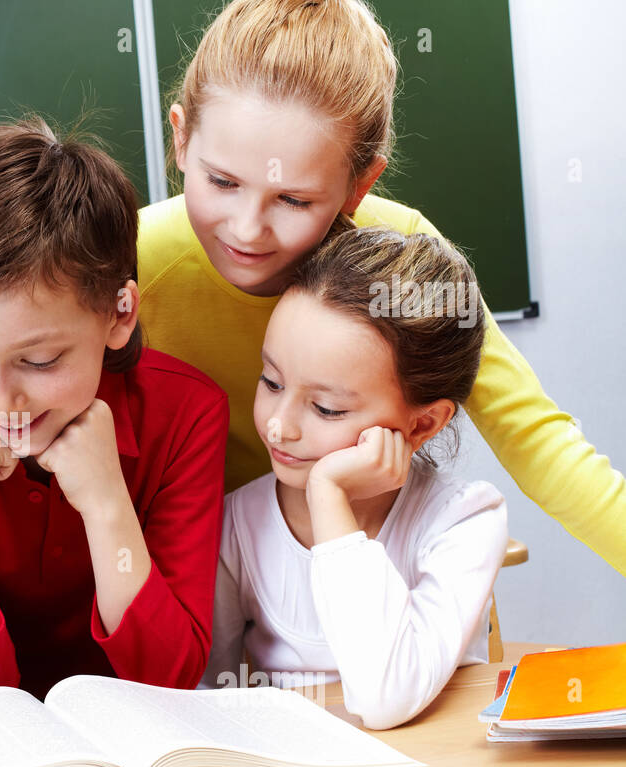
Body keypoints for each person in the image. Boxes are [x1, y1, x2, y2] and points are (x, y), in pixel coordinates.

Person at [140, 0, 624, 573]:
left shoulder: (401, 258)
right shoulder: (131, 263)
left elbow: (538, 444)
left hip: (359, 580)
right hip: (197, 588)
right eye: (221, 181)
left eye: (294, 199)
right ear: (180, 139)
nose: (247, 229)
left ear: (359, 184)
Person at [0, 118, 229, 700]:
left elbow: (170, 679)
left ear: (119, 315)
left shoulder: (187, 414)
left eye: (39, 361)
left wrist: (105, 501)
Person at [203, 227, 508, 729]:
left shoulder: (465, 518)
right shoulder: (237, 524)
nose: (280, 423)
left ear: (423, 424)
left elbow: (386, 698)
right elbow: (209, 701)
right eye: (271, 381)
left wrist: (329, 496)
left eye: (326, 408)